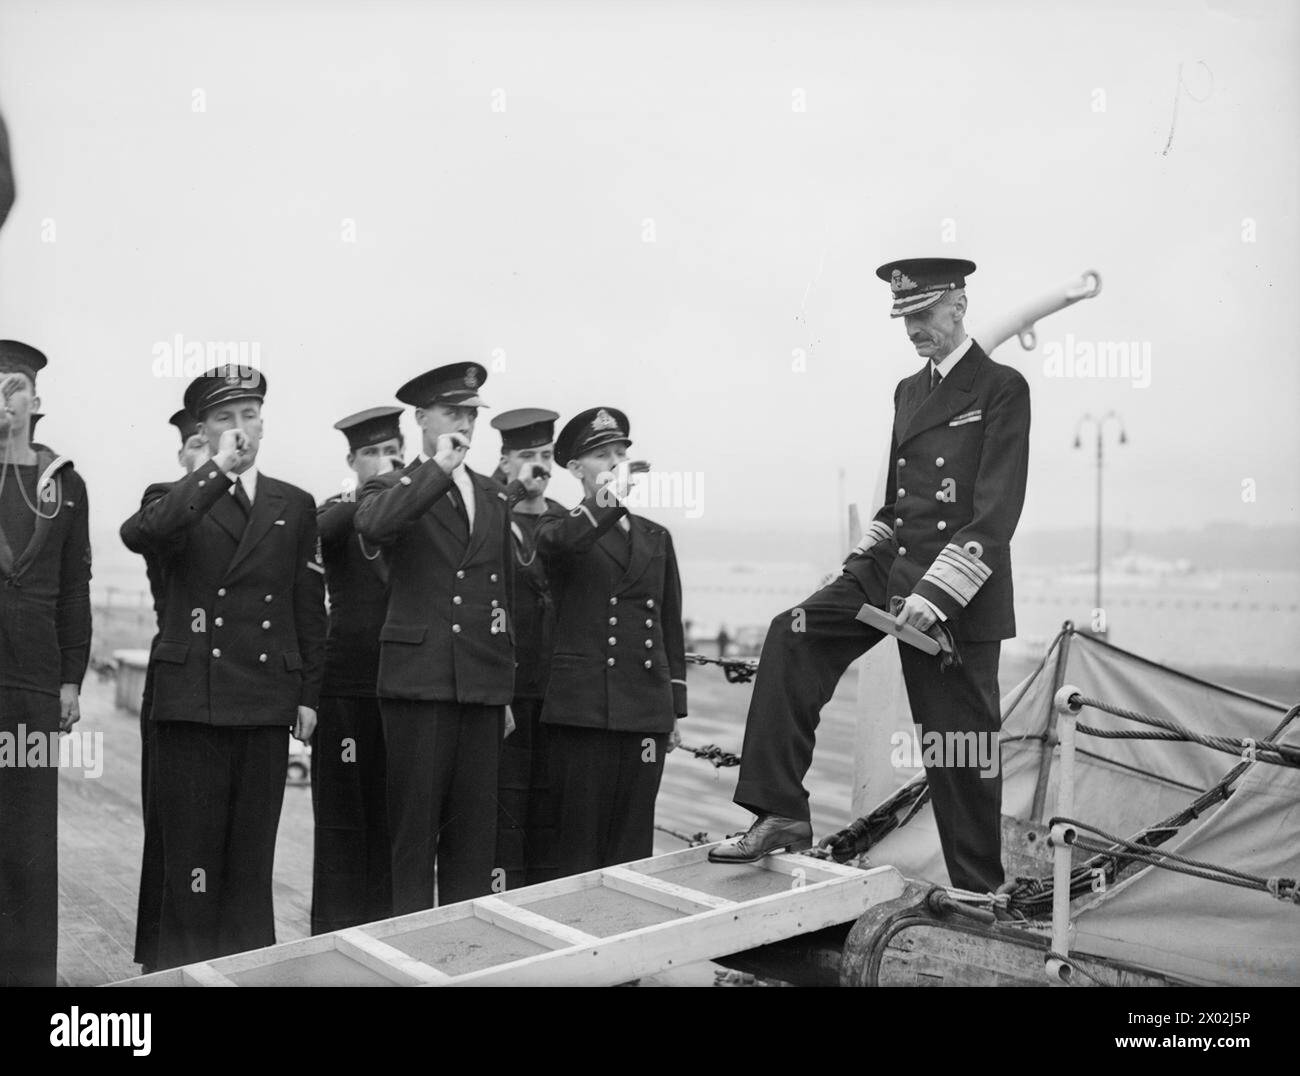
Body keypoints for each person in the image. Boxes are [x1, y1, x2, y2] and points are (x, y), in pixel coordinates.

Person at [710, 258, 1030, 896]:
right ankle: (779, 814)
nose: (913, 329)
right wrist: (858, 566)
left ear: (959, 305)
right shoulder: (908, 390)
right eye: (904, 317)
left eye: (923, 314)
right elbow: (896, 500)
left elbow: (996, 515)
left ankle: (977, 890)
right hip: (892, 562)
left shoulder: (1002, 386)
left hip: (958, 588)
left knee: (957, 748)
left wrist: (935, 597)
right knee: (793, 632)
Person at [123, 366, 326, 967]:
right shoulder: (173, 497)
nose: (240, 429)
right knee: (190, 858)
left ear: (263, 423)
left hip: (265, 701)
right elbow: (144, 535)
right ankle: (179, 976)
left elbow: (307, 608)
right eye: (224, 419)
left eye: (249, 416)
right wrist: (210, 474)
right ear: (204, 432)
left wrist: (309, 693)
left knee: (249, 857)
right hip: (192, 702)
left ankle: (246, 974)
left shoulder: (294, 502)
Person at [354, 362, 515, 910]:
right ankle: (409, 957)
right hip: (418, 682)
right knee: (415, 834)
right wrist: (438, 469)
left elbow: (502, 597)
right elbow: (375, 527)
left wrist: (504, 689)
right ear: (423, 419)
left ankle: (465, 957)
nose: (464, 424)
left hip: (480, 685)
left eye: (471, 414)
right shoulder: (391, 485)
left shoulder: (493, 494)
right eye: (452, 413)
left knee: (475, 837)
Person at [532, 407, 686, 880]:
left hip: (643, 709)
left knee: (633, 839)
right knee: (578, 839)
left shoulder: (656, 537)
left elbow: (668, 625)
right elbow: (564, 544)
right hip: (582, 711)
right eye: (602, 456)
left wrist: (673, 709)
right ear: (576, 469)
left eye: (621, 453)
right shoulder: (557, 529)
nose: (616, 461)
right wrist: (608, 498)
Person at [0, 340, 92, 986]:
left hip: (34, 685)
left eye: (15, 386)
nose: (5, 397)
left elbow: (76, 589)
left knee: (30, 844)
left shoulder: (65, 484)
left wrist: (69, 680)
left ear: (37, 401)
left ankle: (31, 977)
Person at [119, 407, 207, 972]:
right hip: (179, 685)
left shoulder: (267, 509)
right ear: (182, 453)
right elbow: (155, 532)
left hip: (244, 694)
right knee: (175, 830)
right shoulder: (165, 499)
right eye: (199, 439)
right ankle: (161, 960)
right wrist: (207, 473)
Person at [309, 406, 403, 933]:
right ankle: (335, 937)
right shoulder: (341, 513)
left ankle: (391, 936)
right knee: (343, 824)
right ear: (351, 460)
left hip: (407, 688)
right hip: (345, 687)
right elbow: (310, 535)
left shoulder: (419, 509)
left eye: (392, 450)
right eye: (371, 452)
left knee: (397, 824)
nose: (383, 460)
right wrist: (356, 498)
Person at [488, 407, 566, 889]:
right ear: (506, 460)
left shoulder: (565, 519)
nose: (538, 465)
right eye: (527, 456)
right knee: (505, 804)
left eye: (545, 455)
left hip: (557, 687)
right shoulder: (493, 514)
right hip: (510, 686)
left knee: (551, 805)